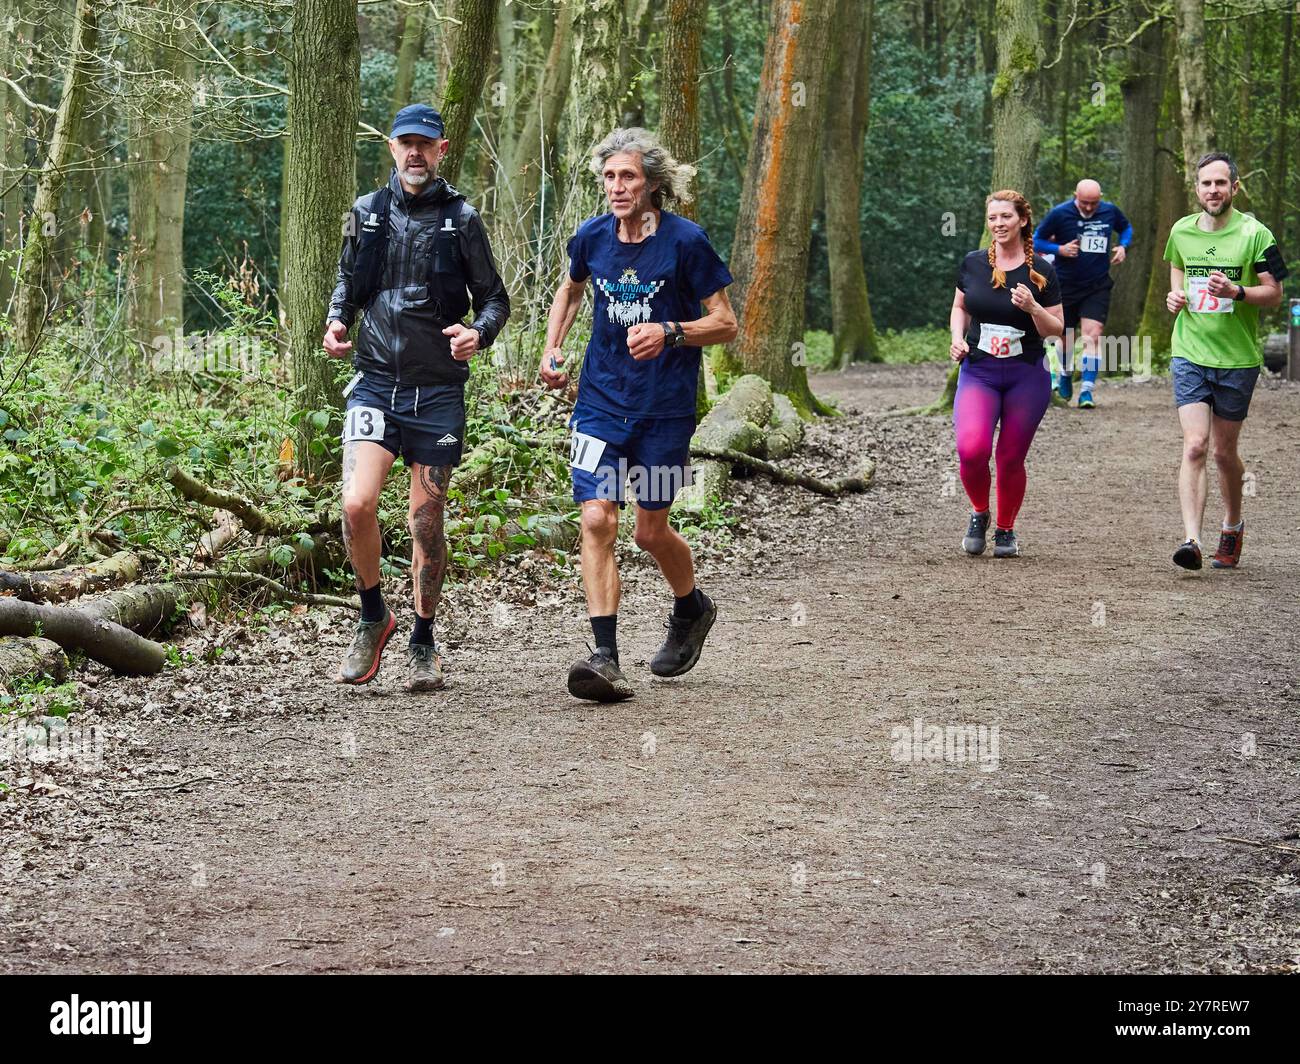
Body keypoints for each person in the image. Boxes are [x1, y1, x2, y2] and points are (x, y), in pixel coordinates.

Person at [539, 128, 738, 702]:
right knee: (598, 520)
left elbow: (725, 322)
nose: (617, 186)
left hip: (664, 411)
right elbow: (571, 291)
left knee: (650, 531)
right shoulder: (592, 237)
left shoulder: (685, 242)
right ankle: (605, 656)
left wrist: (673, 332)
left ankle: (691, 607)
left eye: (627, 176)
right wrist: (554, 348)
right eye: (608, 177)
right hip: (600, 405)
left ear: (651, 183)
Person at [323, 104, 510, 689]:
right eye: (406, 143)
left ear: (441, 150)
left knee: (425, 520)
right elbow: (346, 280)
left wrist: (478, 334)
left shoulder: (462, 220)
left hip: (437, 391)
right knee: (356, 504)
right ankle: (373, 615)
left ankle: (423, 640)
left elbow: (496, 299)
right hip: (376, 380)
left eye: (425, 144)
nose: (415, 153)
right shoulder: (367, 212)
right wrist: (336, 321)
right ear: (392, 147)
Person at [1163, 152, 1287, 571]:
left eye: (1220, 183)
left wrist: (1237, 292)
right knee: (1195, 445)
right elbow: (1177, 275)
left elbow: (1275, 293)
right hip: (1190, 352)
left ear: (1234, 187)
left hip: (1237, 358)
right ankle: (1191, 540)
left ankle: (1232, 525)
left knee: (1222, 453)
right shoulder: (1181, 231)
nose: (1212, 190)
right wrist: (1174, 297)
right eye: (1205, 184)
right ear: (1196, 189)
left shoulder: (1257, 235)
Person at [949, 190, 1064, 558]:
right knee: (971, 449)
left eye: (1006, 217)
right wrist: (956, 338)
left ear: (1023, 220)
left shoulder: (1042, 270)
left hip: (1026, 374)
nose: (998, 224)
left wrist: (1032, 306)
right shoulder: (973, 263)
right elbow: (959, 306)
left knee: (1010, 458)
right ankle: (980, 513)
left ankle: (1006, 530)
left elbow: (1056, 329)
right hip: (979, 371)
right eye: (993, 218)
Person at [1034, 179, 1132, 408]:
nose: (1089, 207)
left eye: (1094, 203)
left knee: (1093, 334)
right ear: (1075, 196)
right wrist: (1059, 249)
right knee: (1065, 338)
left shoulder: (1110, 211)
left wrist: (1123, 245)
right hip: (1064, 285)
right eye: (1085, 203)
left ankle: (1087, 391)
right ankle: (1066, 374)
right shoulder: (1059, 214)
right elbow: (1036, 239)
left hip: (1096, 285)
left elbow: (1125, 227)